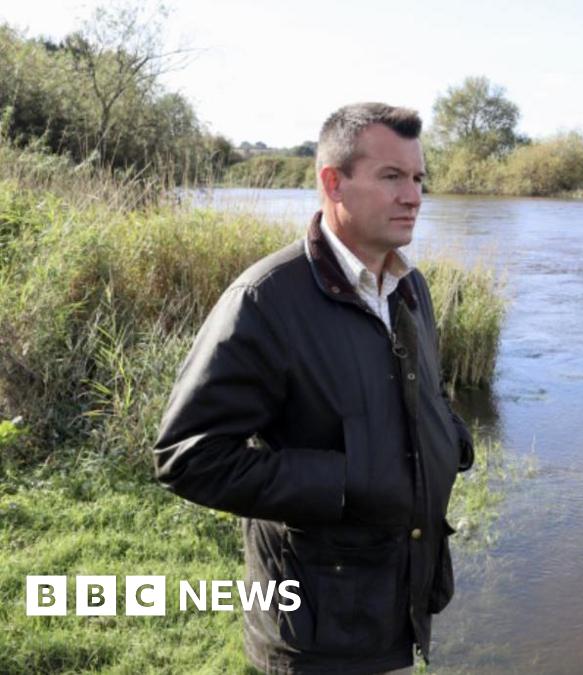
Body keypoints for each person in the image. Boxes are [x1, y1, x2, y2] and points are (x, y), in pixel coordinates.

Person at [153, 102, 473, 675]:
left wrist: (451, 438)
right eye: (392, 177)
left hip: (398, 595)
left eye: (419, 178)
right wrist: (345, 483)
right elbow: (189, 457)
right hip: (316, 624)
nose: (414, 196)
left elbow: (424, 390)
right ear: (334, 182)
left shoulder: (410, 287)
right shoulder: (266, 300)